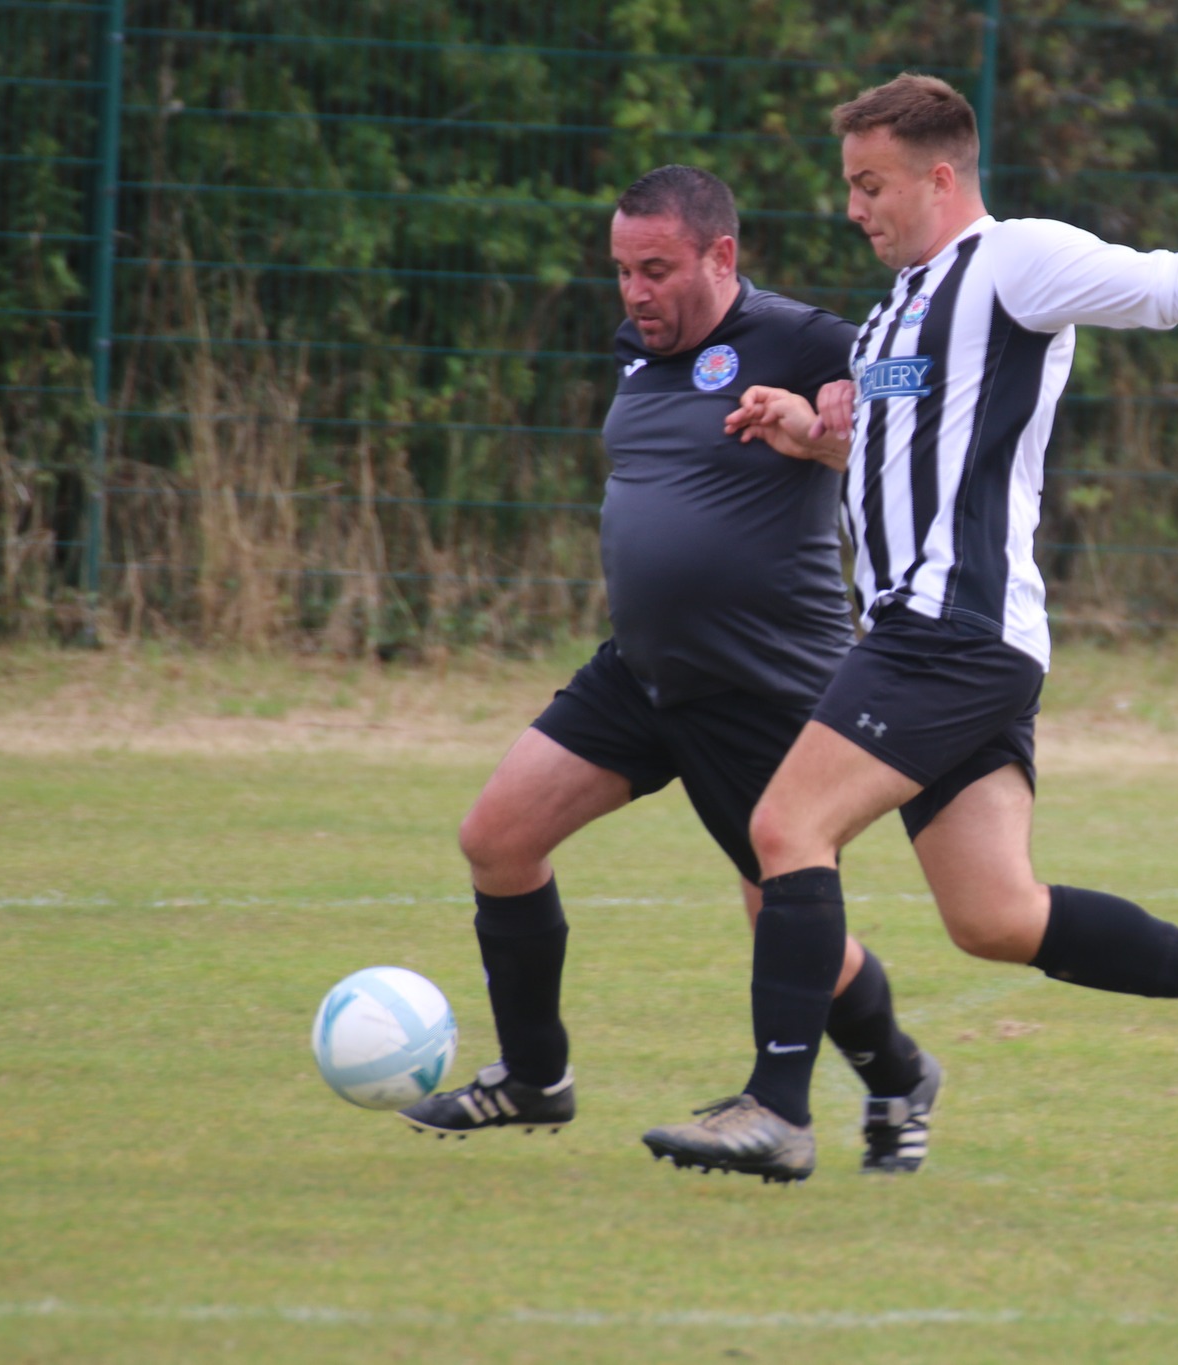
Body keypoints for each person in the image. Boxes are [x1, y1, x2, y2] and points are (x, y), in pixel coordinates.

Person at [641, 75, 1178, 1184]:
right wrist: (808, 431)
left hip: (947, 632)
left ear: (940, 177)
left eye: (870, 185)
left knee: (783, 829)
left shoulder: (1012, 260)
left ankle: (777, 1112)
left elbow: (1176, 287)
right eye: (847, 186)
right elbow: (904, 452)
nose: (852, 208)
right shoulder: (897, 303)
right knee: (994, 915)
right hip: (958, 642)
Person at [398, 165, 943, 1176]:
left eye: (656, 270)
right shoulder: (638, 350)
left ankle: (898, 1074)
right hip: (642, 672)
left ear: (721, 256)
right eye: (620, 271)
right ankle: (533, 1075)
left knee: (782, 921)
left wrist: (844, 410)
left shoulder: (807, 339)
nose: (635, 292)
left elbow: (907, 420)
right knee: (497, 838)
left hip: (764, 683)